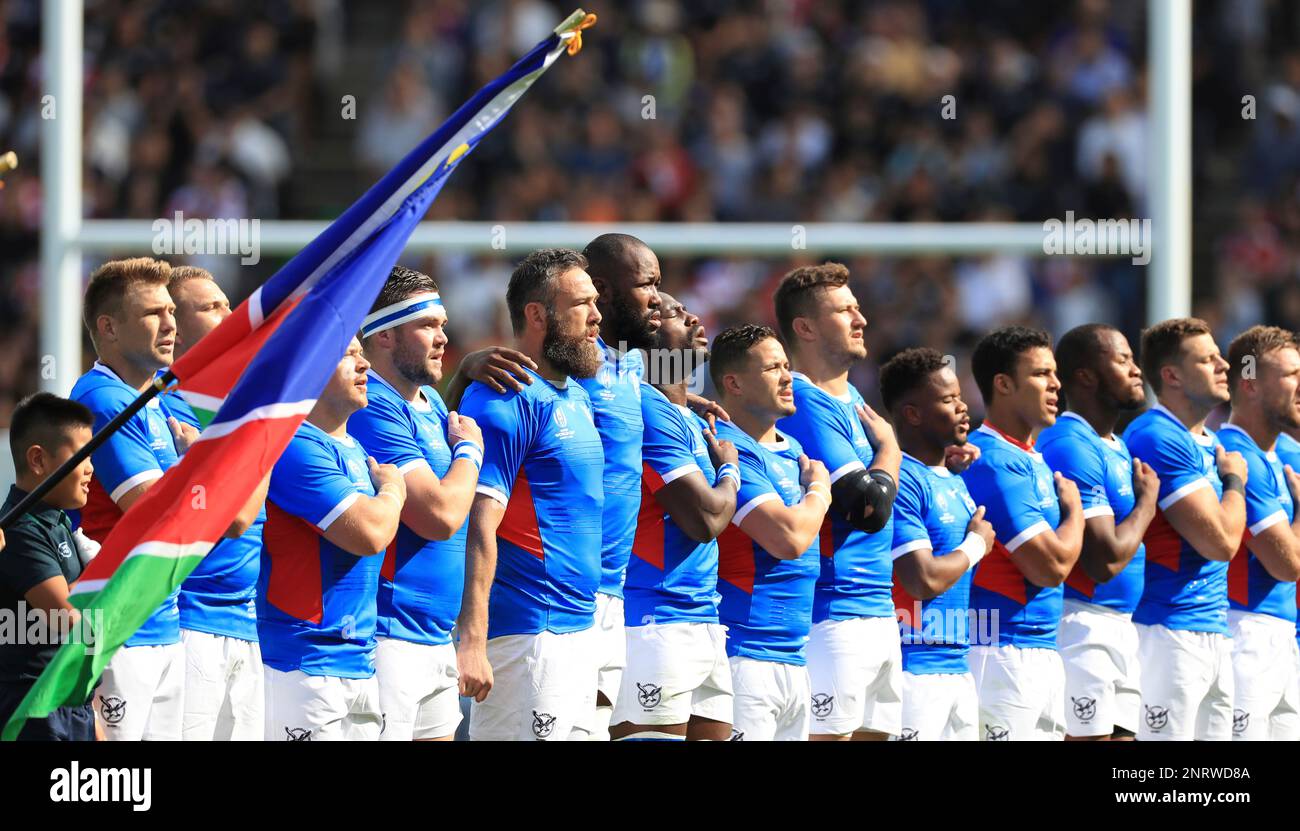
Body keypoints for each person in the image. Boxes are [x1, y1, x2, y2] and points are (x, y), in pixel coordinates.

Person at [71, 257, 258, 741]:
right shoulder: (103, 398)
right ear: (108, 328)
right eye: (153, 313)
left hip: (161, 620)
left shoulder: (147, 398)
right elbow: (160, 513)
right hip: (120, 628)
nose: (170, 323)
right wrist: (213, 464)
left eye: (172, 310)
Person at [456, 249, 606, 741]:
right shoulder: (505, 394)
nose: (597, 316)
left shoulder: (576, 394)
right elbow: (479, 521)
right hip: (526, 634)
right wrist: (473, 640)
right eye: (582, 303)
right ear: (537, 315)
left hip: (579, 629)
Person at [348, 266, 483, 741]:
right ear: (384, 335)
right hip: (388, 636)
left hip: (433, 637)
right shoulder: (373, 407)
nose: (443, 337)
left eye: (443, 324)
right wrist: (471, 451)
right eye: (428, 326)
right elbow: (440, 516)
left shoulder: (428, 404)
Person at [771, 264, 904, 740]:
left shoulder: (853, 399)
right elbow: (865, 507)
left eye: (858, 307)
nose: (860, 318)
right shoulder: (802, 401)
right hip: (831, 616)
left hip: (879, 613)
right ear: (805, 327)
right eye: (844, 310)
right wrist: (890, 449)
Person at [259, 337, 408, 741]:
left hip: (358, 662)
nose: (365, 366)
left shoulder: (356, 449)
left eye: (363, 354)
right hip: (303, 667)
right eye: (349, 354)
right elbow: (371, 532)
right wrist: (394, 491)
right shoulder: (294, 446)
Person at [612, 293, 739, 741]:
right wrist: (730, 470)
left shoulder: (682, 413)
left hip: (703, 615)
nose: (692, 317)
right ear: (646, 339)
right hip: (653, 621)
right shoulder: (645, 408)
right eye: (671, 313)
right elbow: (703, 520)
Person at [1122, 318, 1247, 741]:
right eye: (1207, 358)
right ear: (1171, 375)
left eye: (1220, 355)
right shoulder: (1156, 435)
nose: (1224, 365)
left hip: (1212, 627)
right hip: (1165, 630)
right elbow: (1221, 541)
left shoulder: (1211, 441)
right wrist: (1235, 482)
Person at [961, 326, 1083, 741]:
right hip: (1000, 652)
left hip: (1041, 650)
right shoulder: (993, 460)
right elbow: (1049, 567)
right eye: (1041, 374)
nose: (1055, 385)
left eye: (1056, 374)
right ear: (1004, 384)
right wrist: (1077, 512)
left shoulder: (1033, 458)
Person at [1037, 324, 1158, 741]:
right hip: (1081, 623)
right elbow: (1103, 559)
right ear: (1086, 375)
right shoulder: (1071, 444)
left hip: (1122, 625)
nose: (1136, 370)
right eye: (1123, 360)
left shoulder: (1115, 444)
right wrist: (1147, 503)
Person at [710, 325, 831, 740]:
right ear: (734, 383)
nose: (786, 377)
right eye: (771, 368)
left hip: (797, 657)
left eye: (787, 366)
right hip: (745, 657)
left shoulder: (792, 449)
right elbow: (789, 539)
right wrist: (821, 489)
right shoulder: (729, 448)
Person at [166, 266, 270, 741]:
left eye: (229, 303)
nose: (231, 315)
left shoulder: (238, 409)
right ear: (174, 327)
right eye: (211, 308)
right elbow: (238, 514)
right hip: (190, 624)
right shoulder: (161, 410)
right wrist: (266, 431)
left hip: (247, 625)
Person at [879, 348, 995, 741]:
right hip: (914, 669)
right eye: (948, 400)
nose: (964, 408)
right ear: (912, 414)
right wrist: (977, 545)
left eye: (961, 397)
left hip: (957, 665)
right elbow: (921, 579)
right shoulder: (903, 480)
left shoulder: (950, 474)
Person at [1218, 326, 1300, 740]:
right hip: (1243, 633)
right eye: (1290, 375)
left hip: (1281, 634)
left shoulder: (1278, 453)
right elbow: (1287, 563)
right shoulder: (1236, 455)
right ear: (1249, 383)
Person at [0, 394, 98, 740]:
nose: (90, 468)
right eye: (81, 455)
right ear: (38, 459)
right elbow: (68, 620)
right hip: (35, 711)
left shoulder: (57, 523)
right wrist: (109, 579)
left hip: (71, 705)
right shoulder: (21, 530)